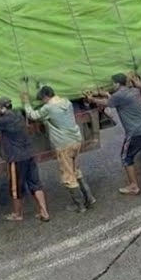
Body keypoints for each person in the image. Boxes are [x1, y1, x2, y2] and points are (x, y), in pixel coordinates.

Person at [87, 74, 141, 196]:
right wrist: (106, 94)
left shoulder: (118, 96)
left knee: (126, 158)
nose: (112, 85)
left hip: (135, 133)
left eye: (112, 83)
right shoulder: (135, 91)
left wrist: (92, 99)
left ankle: (133, 186)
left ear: (116, 84)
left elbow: (107, 102)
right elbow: (116, 100)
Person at [23, 84, 94, 212]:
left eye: (42, 99)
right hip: (76, 139)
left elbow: (33, 115)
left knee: (68, 176)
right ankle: (89, 198)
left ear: (46, 97)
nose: (43, 102)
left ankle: (79, 205)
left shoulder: (49, 107)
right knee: (76, 170)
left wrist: (26, 103)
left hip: (64, 144)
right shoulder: (66, 102)